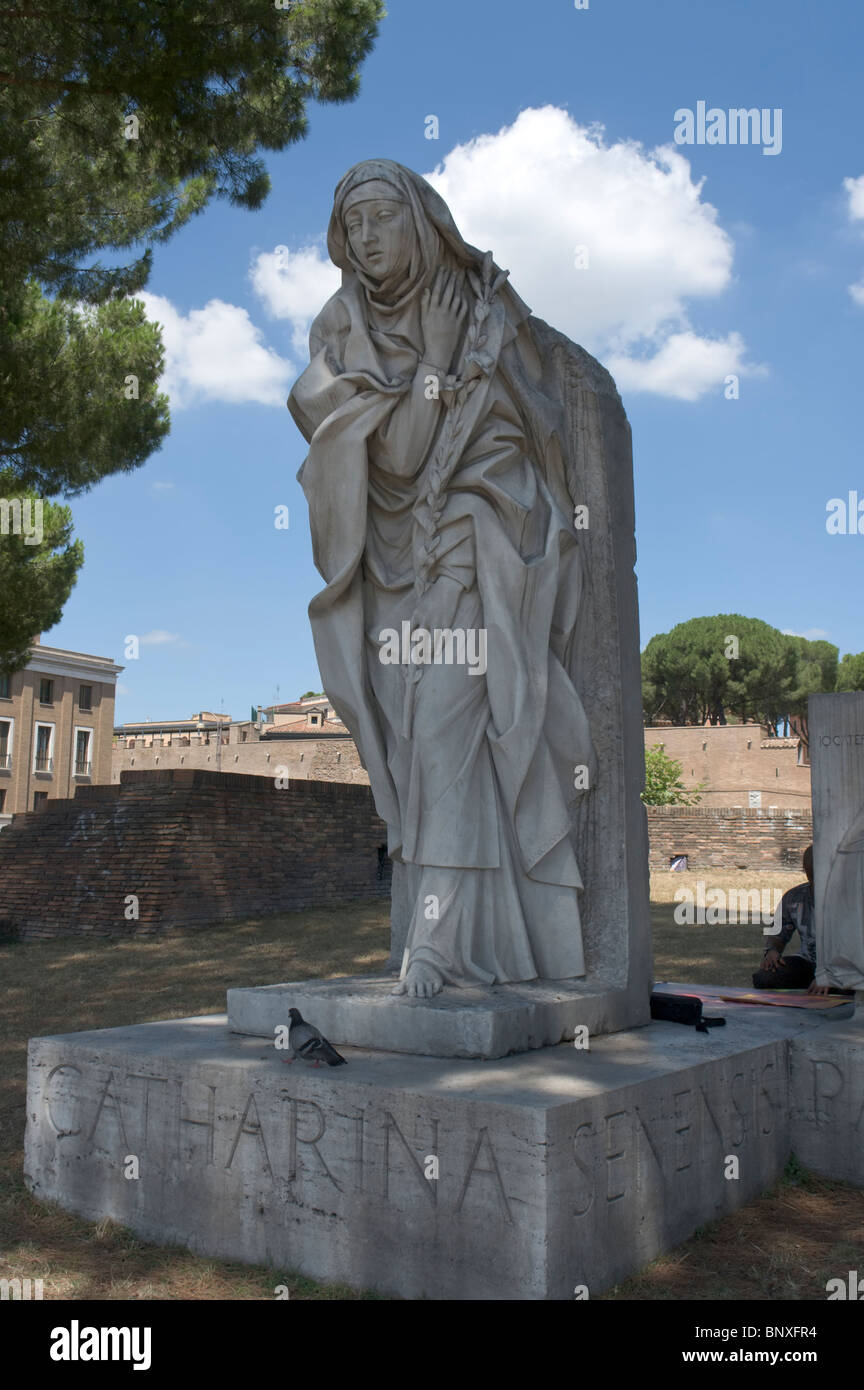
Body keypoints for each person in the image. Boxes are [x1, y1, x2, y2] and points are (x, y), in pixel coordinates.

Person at [288, 159, 595, 999]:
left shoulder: (481, 310)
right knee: (407, 754)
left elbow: (516, 437)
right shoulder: (338, 328)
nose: (368, 236)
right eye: (354, 224)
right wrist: (428, 363)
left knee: (442, 735)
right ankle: (501, 946)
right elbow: (395, 452)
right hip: (383, 570)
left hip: (476, 543)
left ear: (421, 222)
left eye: (385, 215)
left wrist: (437, 378)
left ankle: (438, 942)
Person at [754, 844, 823, 991]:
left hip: (845, 968)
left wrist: (831, 975)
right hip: (808, 962)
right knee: (764, 978)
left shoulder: (852, 900)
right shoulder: (794, 897)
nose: (816, 882)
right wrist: (772, 951)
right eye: (812, 876)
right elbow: (778, 932)